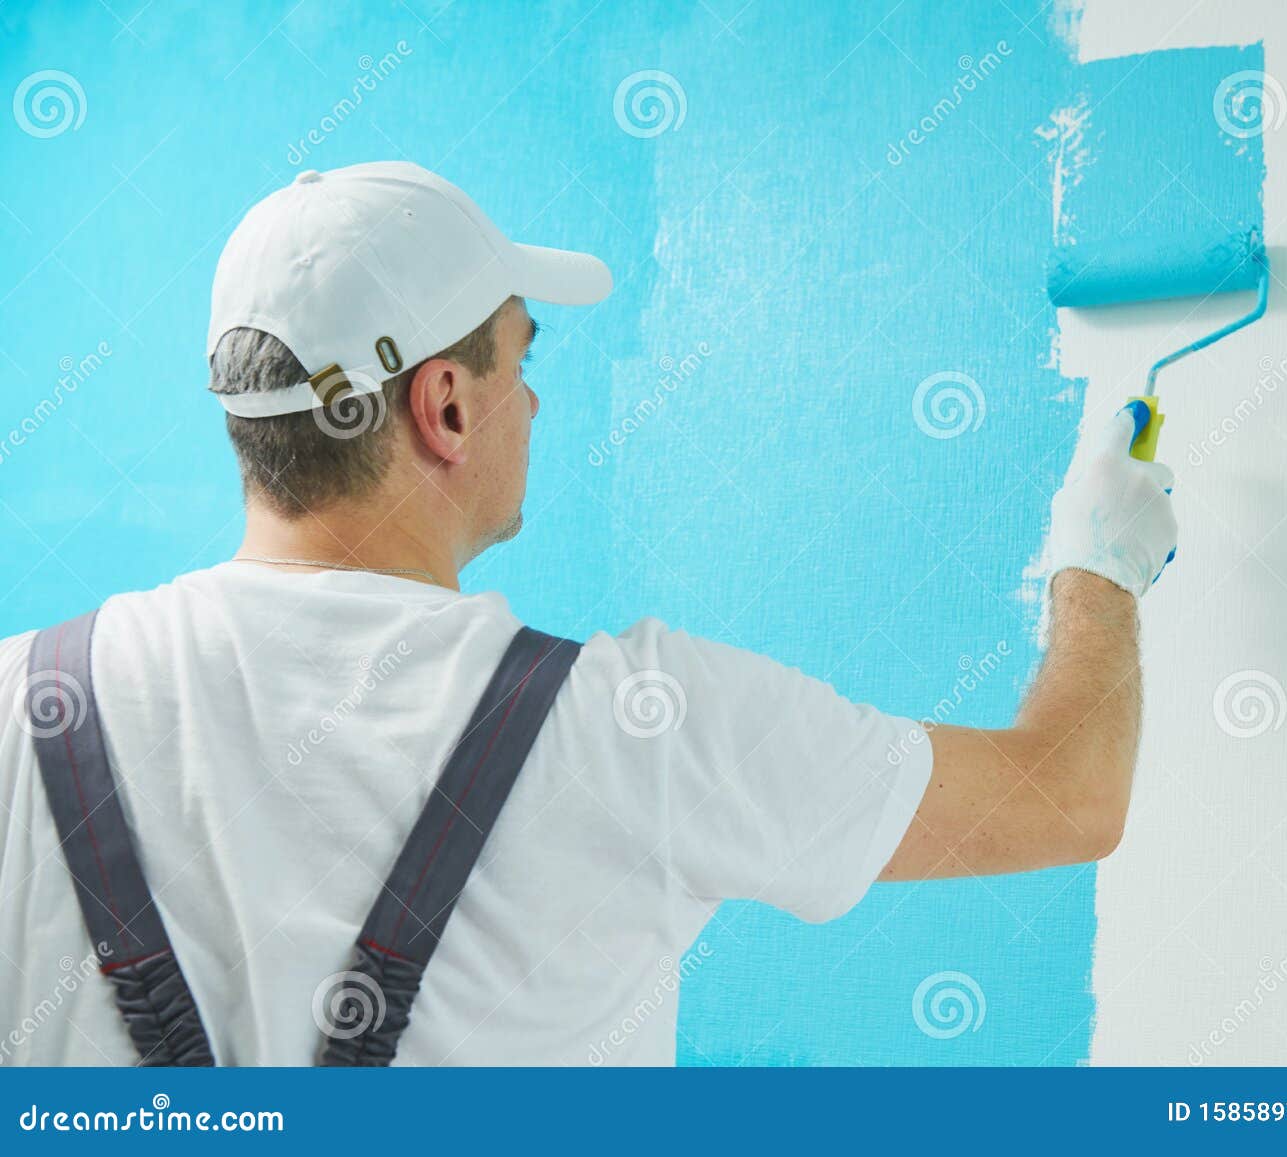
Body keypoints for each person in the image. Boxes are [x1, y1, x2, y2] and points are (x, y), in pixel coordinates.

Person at [0, 161, 1177, 1066]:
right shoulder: (645, 728)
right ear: (445, 405)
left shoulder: (19, 708)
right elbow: (1067, 794)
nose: (539, 397)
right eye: (522, 355)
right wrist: (1096, 566)